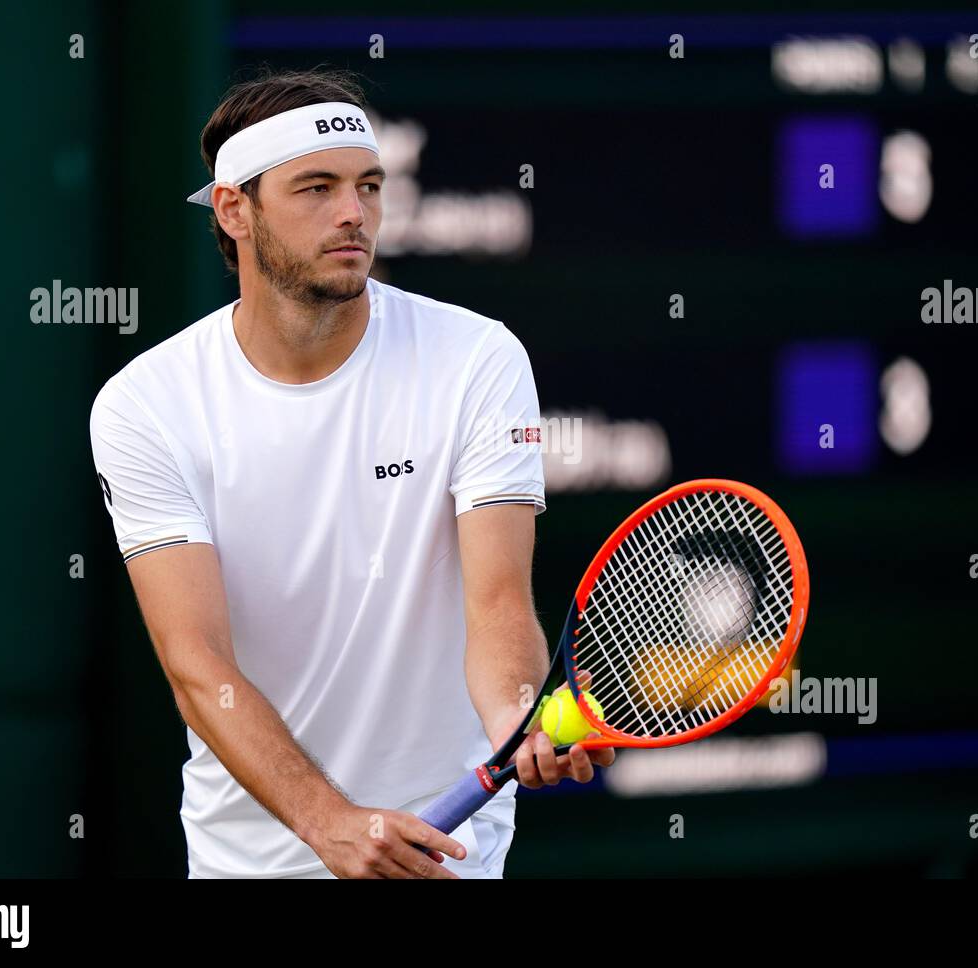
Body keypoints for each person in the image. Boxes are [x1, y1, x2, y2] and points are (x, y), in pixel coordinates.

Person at [89, 67, 612, 879]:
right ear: (234, 209)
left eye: (369, 186)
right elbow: (198, 662)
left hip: (449, 857)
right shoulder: (143, 406)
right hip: (248, 860)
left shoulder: (477, 358)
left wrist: (519, 719)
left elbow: (498, 602)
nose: (352, 213)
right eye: (316, 188)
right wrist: (331, 825)